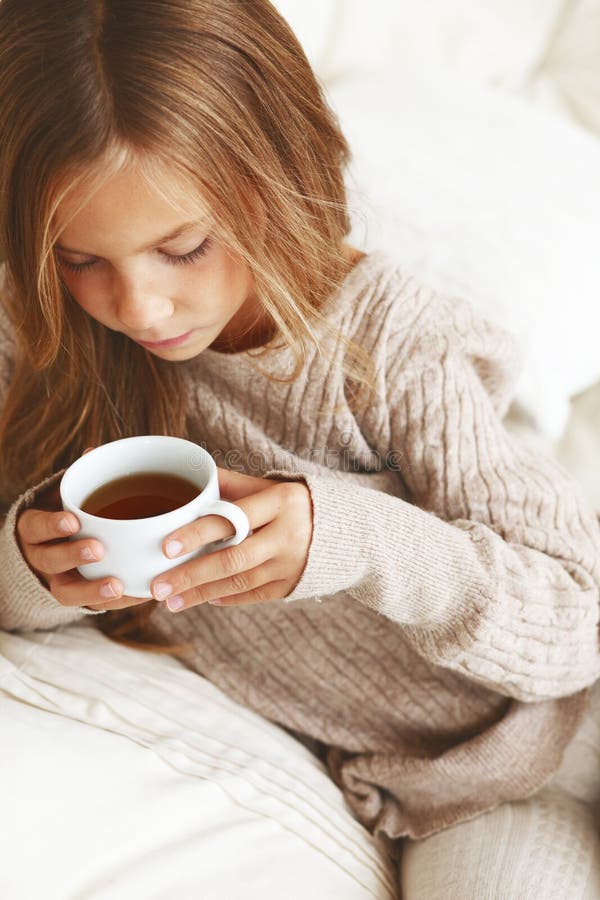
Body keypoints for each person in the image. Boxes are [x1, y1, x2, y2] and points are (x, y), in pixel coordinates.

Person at [1, 1, 599, 896]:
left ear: (276, 175)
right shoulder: (50, 332)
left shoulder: (394, 348)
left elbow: (572, 621)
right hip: (333, 762)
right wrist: (32, 566)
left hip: (517, 759)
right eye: (82, 259)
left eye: (184, 247)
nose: (139, 307)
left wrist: (348, 539)